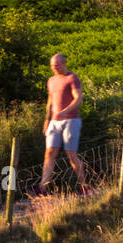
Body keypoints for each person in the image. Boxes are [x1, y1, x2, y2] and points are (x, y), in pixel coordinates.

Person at [37, 53, 90, 195]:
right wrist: (47, 121)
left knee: (71, 154)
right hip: (54, 122)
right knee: (49, 153)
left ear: (64, 63)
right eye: (52, 65)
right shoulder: (51, 80)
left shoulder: (73, 78)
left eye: (57, 65)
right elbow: (50, 102)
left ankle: (84, 186)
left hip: (71, 120)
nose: (54, 67)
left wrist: (64, 112)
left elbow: (78, 99)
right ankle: (43, 188)